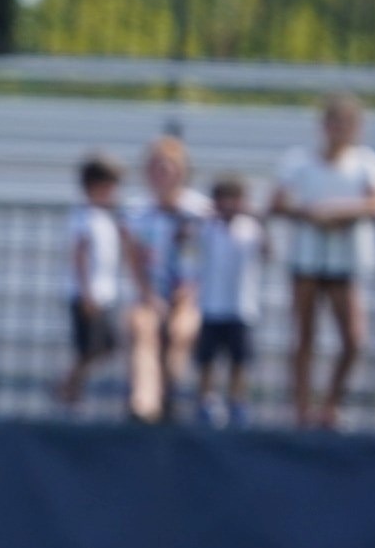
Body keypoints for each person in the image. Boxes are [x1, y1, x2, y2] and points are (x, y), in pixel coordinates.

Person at [270, 94, 375, 429]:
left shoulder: (366, 162)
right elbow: (277, 203)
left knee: (353, 339)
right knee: (304, 335)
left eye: (348, 124)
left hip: (345, 262)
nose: (340, 130)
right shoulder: (298, 161)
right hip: (307, 259)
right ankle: (301, 409)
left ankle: (331, 404)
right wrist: (310, 214)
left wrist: (338, 212)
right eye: (335, 123)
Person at [124, 136, 211, 423]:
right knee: (143, 327)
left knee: (182, 330)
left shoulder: (200, 211)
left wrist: (189, 294)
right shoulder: (137, 212)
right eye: (156, 168)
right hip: (152, 293)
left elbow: (208, 259)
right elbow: (134, 261)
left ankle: (168, 390)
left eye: (169, 167)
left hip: (190, 294)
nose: (162, 174)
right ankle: (144, 400)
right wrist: (150, 295)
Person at [194, 176, 267, 428]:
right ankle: (206, 401)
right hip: (210, 306)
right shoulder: (207, 227)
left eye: (233, 199)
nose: (228, 205)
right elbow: (187, 241)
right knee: (207, 359)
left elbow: (267, 252)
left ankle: (237, 402)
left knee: (239, 360)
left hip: (241, 307)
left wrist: (259, 219)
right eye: (223, 199)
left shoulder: (250, 228)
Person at [58, 155, 126, 411]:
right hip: (87, 295)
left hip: (102, 295)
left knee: (105, 346)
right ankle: (68, 389)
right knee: (90, 348)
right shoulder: (84, 216)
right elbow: (80, 255)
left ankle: (70, 387)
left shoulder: (105, 216)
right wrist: (86, 293)